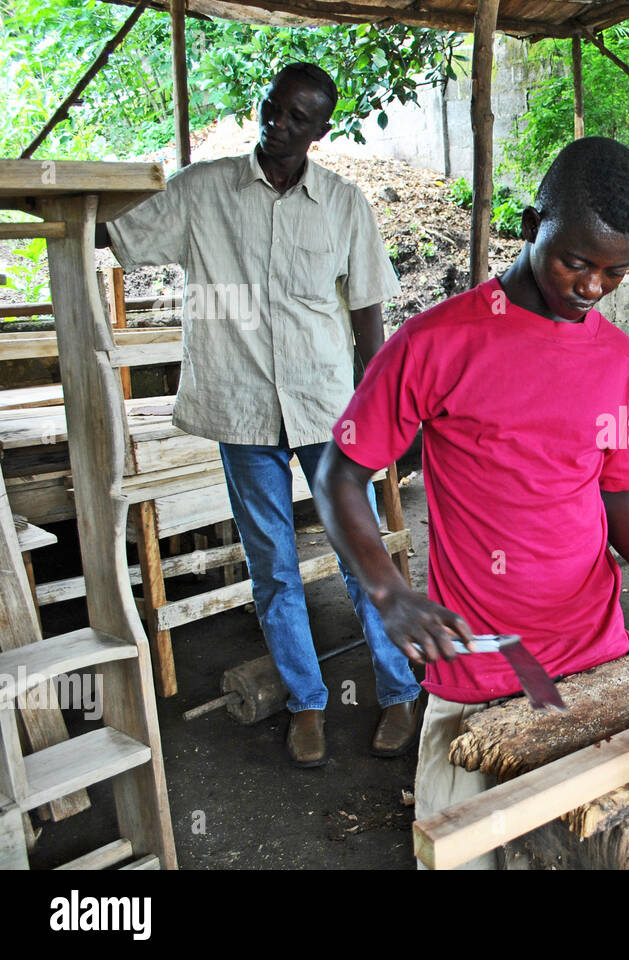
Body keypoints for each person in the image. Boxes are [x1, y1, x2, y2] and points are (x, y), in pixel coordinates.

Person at [315, 137, 629, 868]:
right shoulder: (438, 341)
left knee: (606, 846)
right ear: (531, 225)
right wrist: (387, 590)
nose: (591, 287)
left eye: (614, 273)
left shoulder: (617, 361)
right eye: (575, 262)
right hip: (480, 671)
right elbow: (339, 475)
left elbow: (624, 502)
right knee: (467, 854)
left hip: (595, 661)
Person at [96, 63, 423, 766]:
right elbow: (115, 235)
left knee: (360, 553)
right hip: (243, 408)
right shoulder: (204, 190)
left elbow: (369, 317)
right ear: (263, 104)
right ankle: (306, 705)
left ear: (320, 130)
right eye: (273, 108)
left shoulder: (342, 204)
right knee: (272, 565)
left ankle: (398, 692)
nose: (279, 124)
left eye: (298, 118)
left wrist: (379, 412)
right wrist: (66, 195)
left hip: (326, 409)